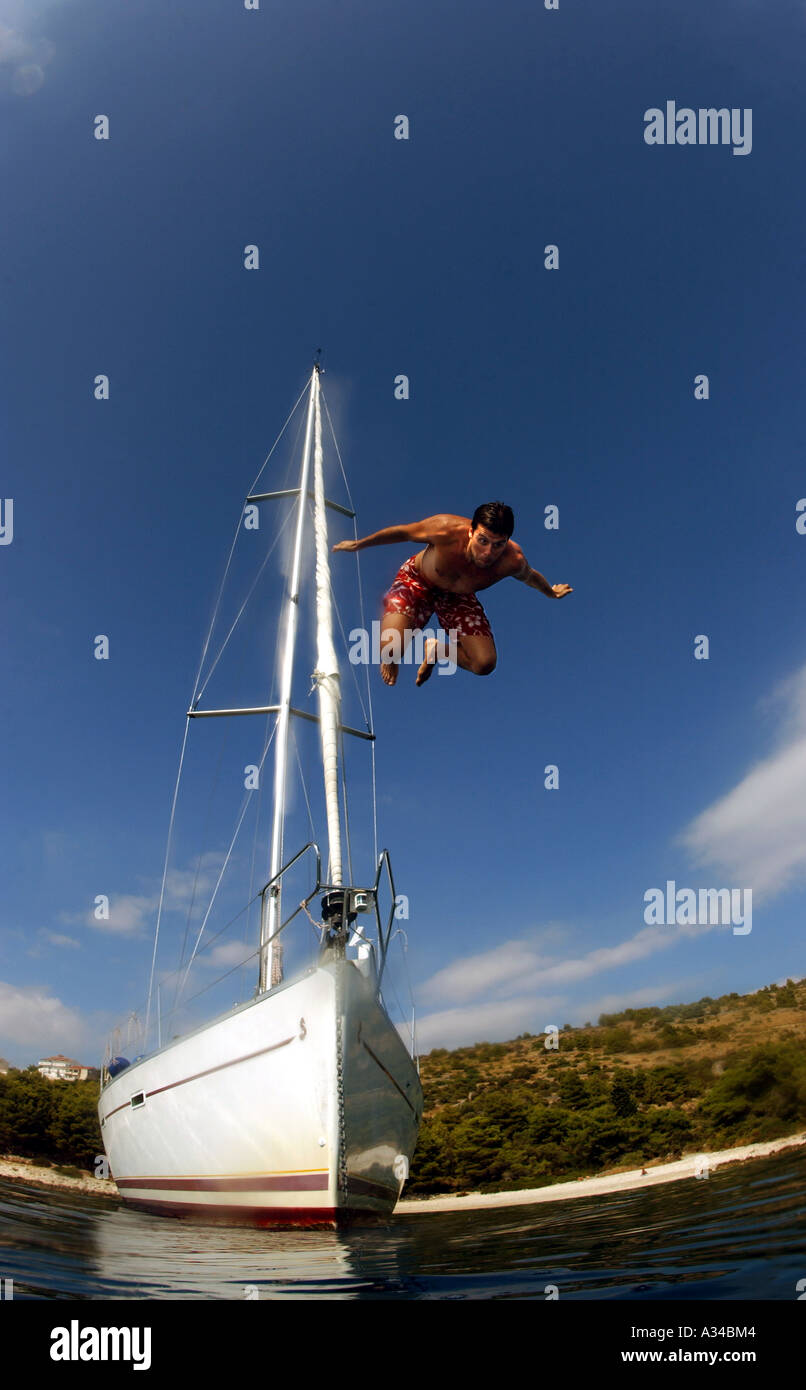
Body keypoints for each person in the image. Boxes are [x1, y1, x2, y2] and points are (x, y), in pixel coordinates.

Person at [332, 502, 572, 686]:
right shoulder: (445, 529)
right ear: (471, 532)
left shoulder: (513, 560)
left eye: (498, 545)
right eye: (483, 540)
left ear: (507, 541)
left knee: (484, 664)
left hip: (458, 598)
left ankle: (436, 650)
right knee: (390, 648)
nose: (488, 552)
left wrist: (550, 591)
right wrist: (359, 544)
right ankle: (390, 657)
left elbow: (530, 577)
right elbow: (403, 533)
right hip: (417, 581)